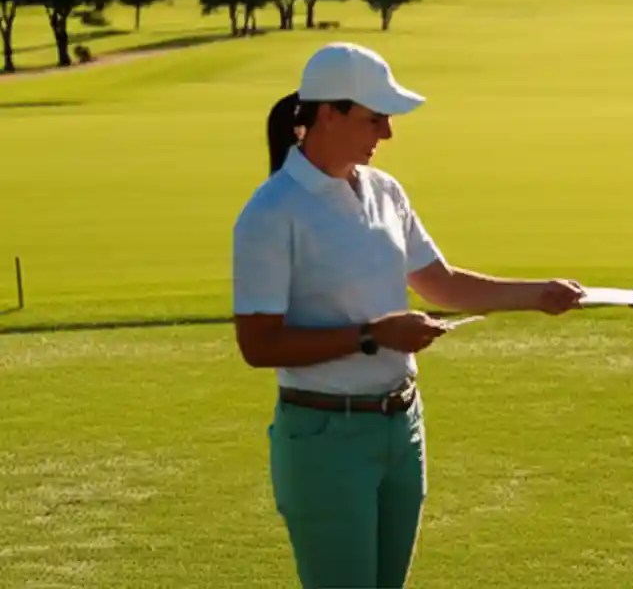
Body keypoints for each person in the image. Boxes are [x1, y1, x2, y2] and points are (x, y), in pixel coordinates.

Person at [231, 42, 584, 589]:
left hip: (402, 427)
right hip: (325, 438)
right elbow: (259, 345)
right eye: (375, 119)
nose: (387, 134)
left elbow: (440, 283)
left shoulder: (385, 191)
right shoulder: (271, 212)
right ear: (329, 113)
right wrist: (374, 335)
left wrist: (538, 294)